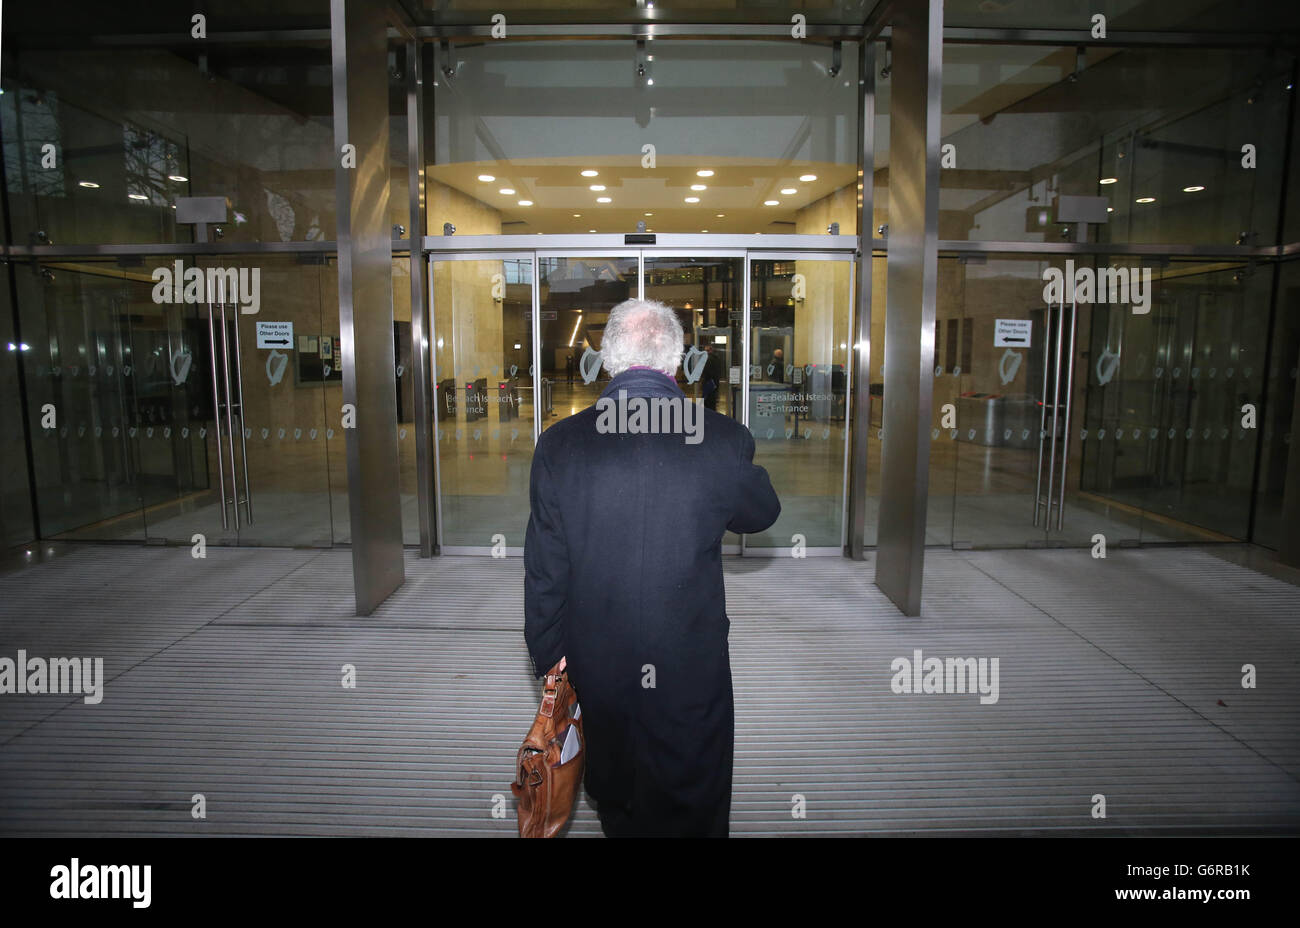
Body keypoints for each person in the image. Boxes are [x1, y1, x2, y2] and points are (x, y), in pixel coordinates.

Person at [524, 298, 781, 838]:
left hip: (598, 662)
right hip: (690, 663)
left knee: (616, 792)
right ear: (678, 361)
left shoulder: (560, 445)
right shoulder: (722, 438)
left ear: (609, 361)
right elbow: (762, 514)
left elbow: (546, 568)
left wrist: (550, 657)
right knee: (696, 791)